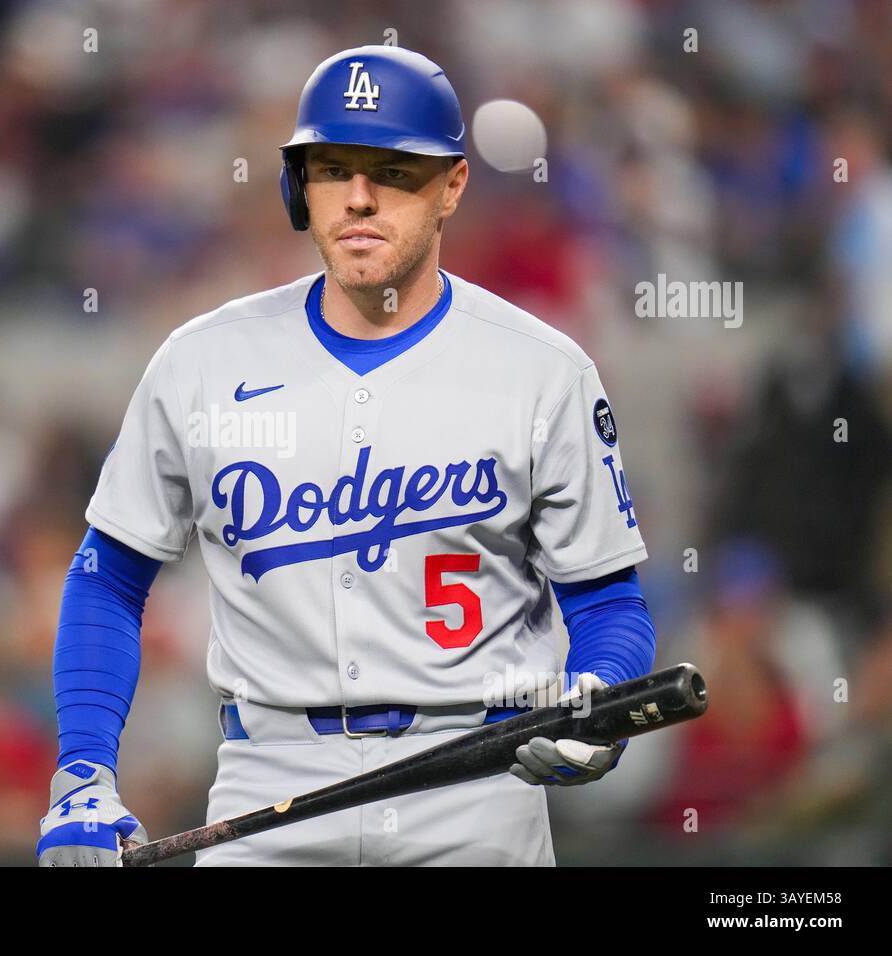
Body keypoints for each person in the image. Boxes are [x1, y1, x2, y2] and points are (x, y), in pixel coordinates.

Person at [37, 45, 657, 867]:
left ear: (453, 186)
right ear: (300, 187)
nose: (358, 198)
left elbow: (609, 602)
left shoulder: (542, 371)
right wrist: (82, 769)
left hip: (475, 787)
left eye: (393, 171)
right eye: (332, 168)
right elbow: (107, 577)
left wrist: (597, 695)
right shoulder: (201, 362)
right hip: (268, 787)